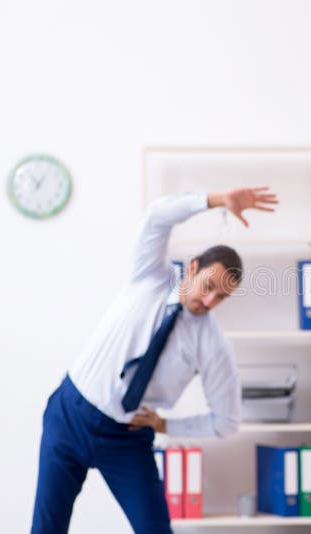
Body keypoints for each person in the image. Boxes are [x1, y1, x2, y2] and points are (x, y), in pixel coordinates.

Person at [31, 187, 278, 533]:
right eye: (207, 286)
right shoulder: (149, 277)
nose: (209, 300)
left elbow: (227, 420)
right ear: (192, 268)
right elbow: (157, 216)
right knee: (46, 528)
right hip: (70, 414)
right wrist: (217, 201)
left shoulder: (212, 344)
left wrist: (166, 426)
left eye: (221, 297)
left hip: (126, 438)